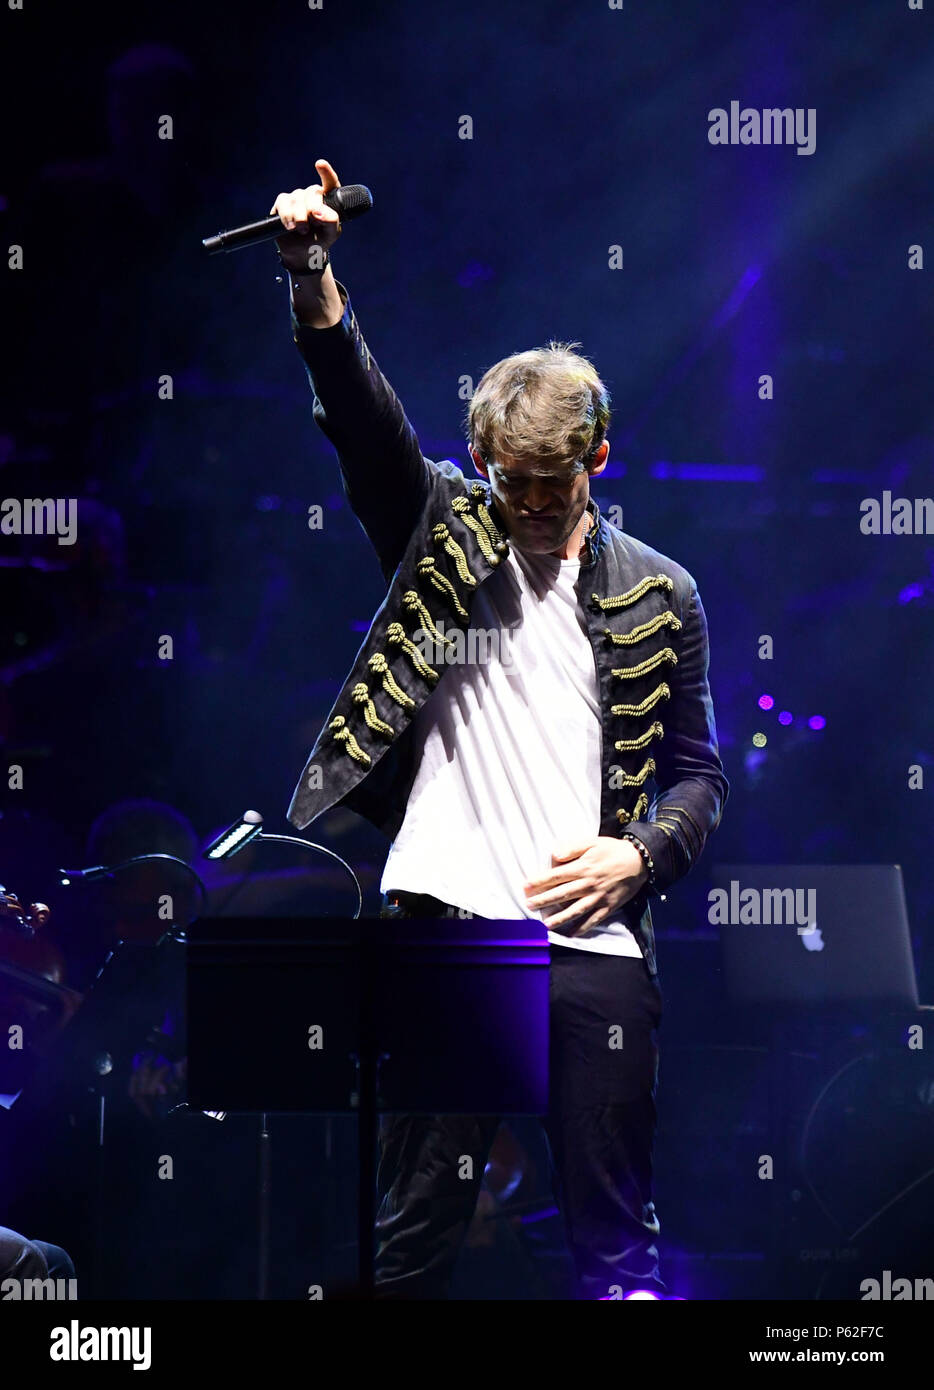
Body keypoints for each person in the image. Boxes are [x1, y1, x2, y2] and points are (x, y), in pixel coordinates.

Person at [269, 159, 729, 1299]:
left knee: (617, 1248)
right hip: (450, 923)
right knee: (413, 1240)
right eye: (509, 480)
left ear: (597, 459)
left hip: (593, 941)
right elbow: (363, 422)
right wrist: (312, 275)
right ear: (482, 462)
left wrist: (640, 855)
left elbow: (698, 775)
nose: (526, 504)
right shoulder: (439, 531)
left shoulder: (662, 591)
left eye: (549, 484)